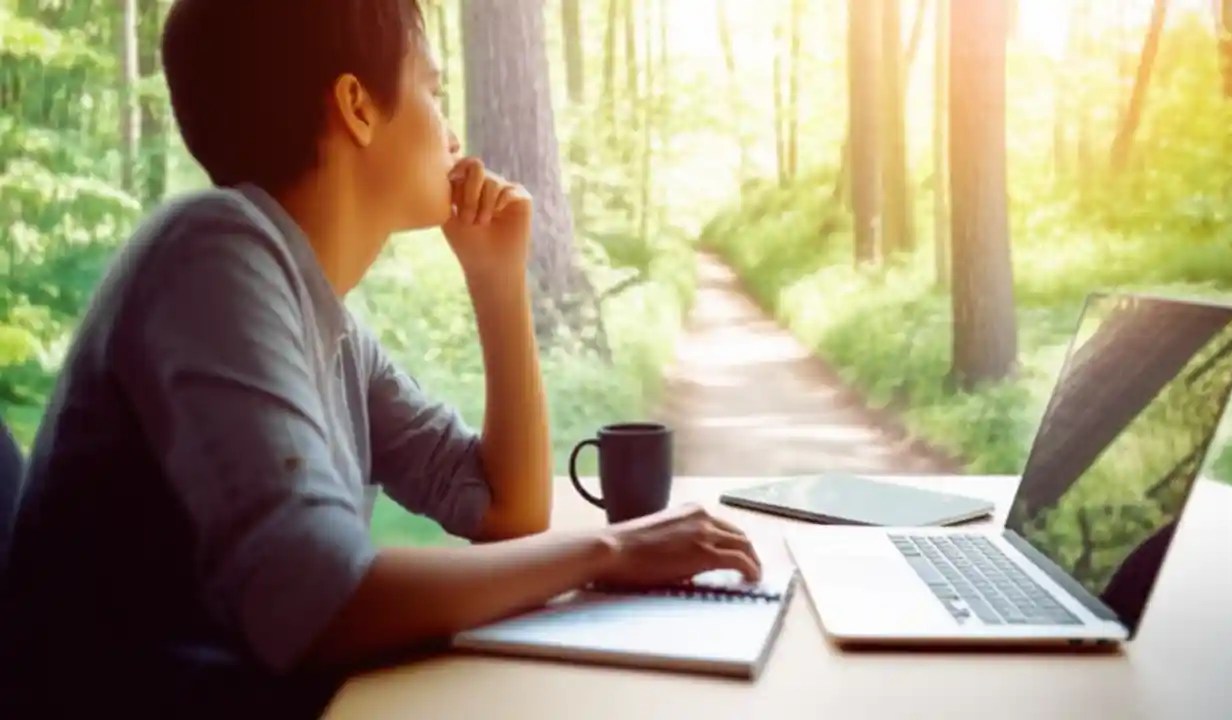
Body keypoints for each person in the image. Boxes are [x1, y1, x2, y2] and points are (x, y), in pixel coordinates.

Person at [0, 0, 760, 715]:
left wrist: (498, 286)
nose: (453, 132)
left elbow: (505, 510)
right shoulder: (212, 250)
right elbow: (318, 594)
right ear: (358, 107)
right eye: (434, 88)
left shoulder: (319, 314)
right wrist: (609, 549)